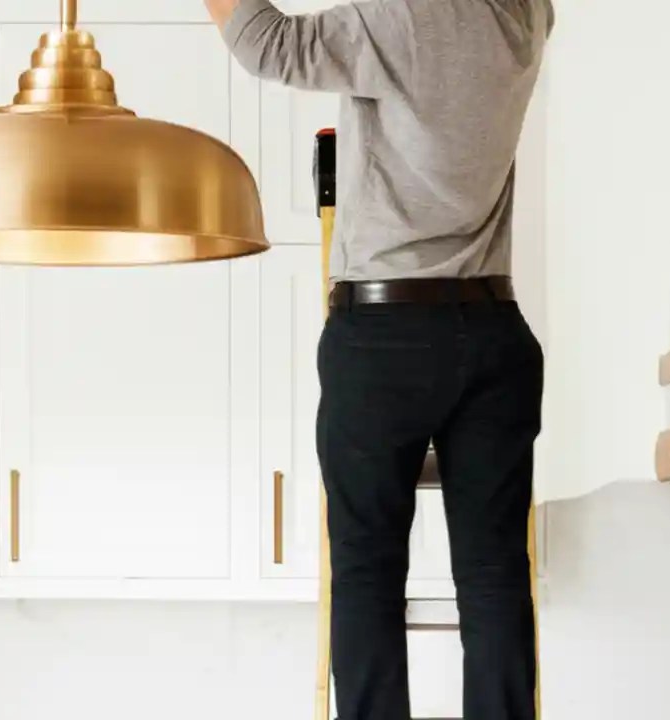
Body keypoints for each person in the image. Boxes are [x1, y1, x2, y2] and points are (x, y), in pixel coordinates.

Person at [205, 0, 553, 716]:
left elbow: (266, 43)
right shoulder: (526, 15)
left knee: (365, 572)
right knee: (493, 575)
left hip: (385, 336)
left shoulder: (399, 19)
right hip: (496, 331)